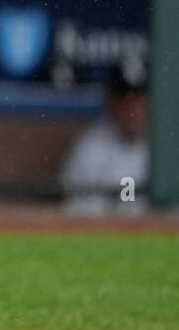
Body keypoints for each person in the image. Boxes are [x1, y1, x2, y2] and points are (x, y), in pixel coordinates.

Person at [61, 60, 149, 215]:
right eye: (125, 99)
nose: (132, 109)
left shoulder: (168, 146)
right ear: (110, 100)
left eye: (138, 99)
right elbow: (79, 216)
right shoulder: (90, 149)